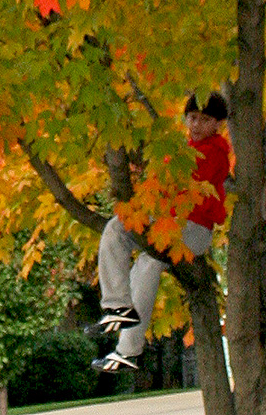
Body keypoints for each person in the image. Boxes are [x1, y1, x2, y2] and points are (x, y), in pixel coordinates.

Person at [90, 91, 232, 372]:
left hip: (193, 230)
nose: (196, 125)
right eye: (192, 118)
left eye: (204, 120)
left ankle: (128, 352)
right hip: (167, 224)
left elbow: (181, 191)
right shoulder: (179, 150)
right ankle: (117, 306)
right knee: (116, 228)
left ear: (218, 124)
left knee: (147, 265)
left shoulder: (216, 152)